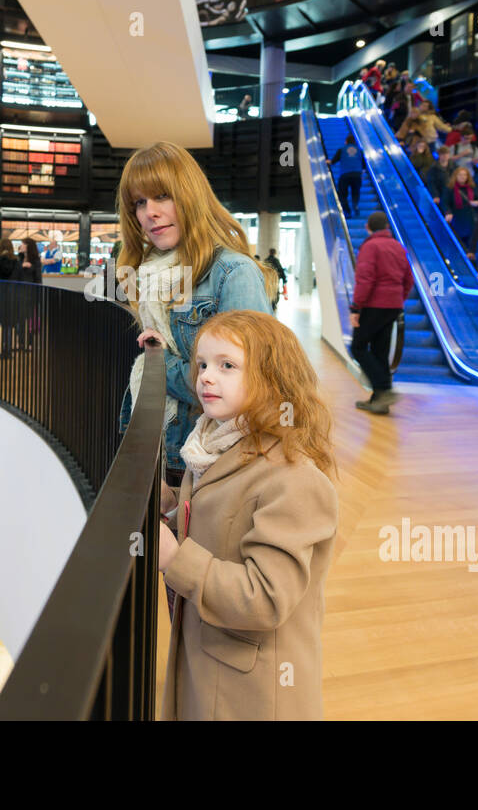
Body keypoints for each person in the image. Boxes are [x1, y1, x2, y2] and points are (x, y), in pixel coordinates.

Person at [156, 310, 338, 720]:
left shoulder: (292, 479)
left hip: (251, 690)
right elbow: (217, 524)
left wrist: (172, 558)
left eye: (227, 366)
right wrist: (171, 512)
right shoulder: (210, 445)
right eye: (202, 364)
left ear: (273, 378)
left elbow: (266, 598)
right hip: (210, 657)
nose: (205, 376)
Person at [116, 140, 274, 499]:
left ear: (190, 196)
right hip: (164, 447)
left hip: (214, 463)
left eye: (161, 196)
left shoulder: (232, 272)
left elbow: (250, 386)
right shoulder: (151, 273)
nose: (149, 212)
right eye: (139, 202)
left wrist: (159, 363)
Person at [349, 211, 413, 414]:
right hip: (393, 305)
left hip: (374, 304)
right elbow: (408, 280)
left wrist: (356, 307)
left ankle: (385, 389)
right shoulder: (398, 246)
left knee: (358, 347)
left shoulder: (370, 246)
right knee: (380, 351)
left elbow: (365, 279)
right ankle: (379, 401)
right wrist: (397, 299)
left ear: (368, 227)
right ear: (386, 227)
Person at [0, 238, 20, 359]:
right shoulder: (16, 262)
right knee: (10, 323)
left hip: (0, 296)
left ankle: (5, 349)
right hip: (13, 296)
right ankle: (10, 347)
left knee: (4, 324)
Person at [440, 164, 478, 254]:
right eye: (460, 175)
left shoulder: (472, 187)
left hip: (470, 218)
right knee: (457, 242)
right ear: (455, 176)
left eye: (465, 175)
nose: (463, 177)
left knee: (471, 242)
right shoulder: (450, 188)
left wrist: (477, 203)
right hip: (457, 218)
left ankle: (470, 260)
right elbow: (445, 202)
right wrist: (448, 212)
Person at [330, 134, 363, 218]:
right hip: (357, 174)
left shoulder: (341, 150)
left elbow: (333, 161)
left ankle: (347, 211)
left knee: (343, 194)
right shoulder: (360, 150)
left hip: (345, 174)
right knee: (355, 192)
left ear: (346, 141)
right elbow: (363, 164)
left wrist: (327, 162)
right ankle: (355, 205)